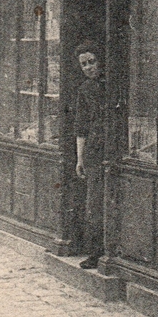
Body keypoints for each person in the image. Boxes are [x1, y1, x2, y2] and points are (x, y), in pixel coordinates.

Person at [70, 43, 108, 269]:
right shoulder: (84, 90)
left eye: (91, 61)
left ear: (100, 60)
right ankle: (95, 253)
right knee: (94, 203)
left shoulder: (114, 85)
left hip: (116, 150)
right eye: (83, 64)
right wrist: (80, 158)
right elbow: (81, 126)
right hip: (95, 150)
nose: (88, 67)